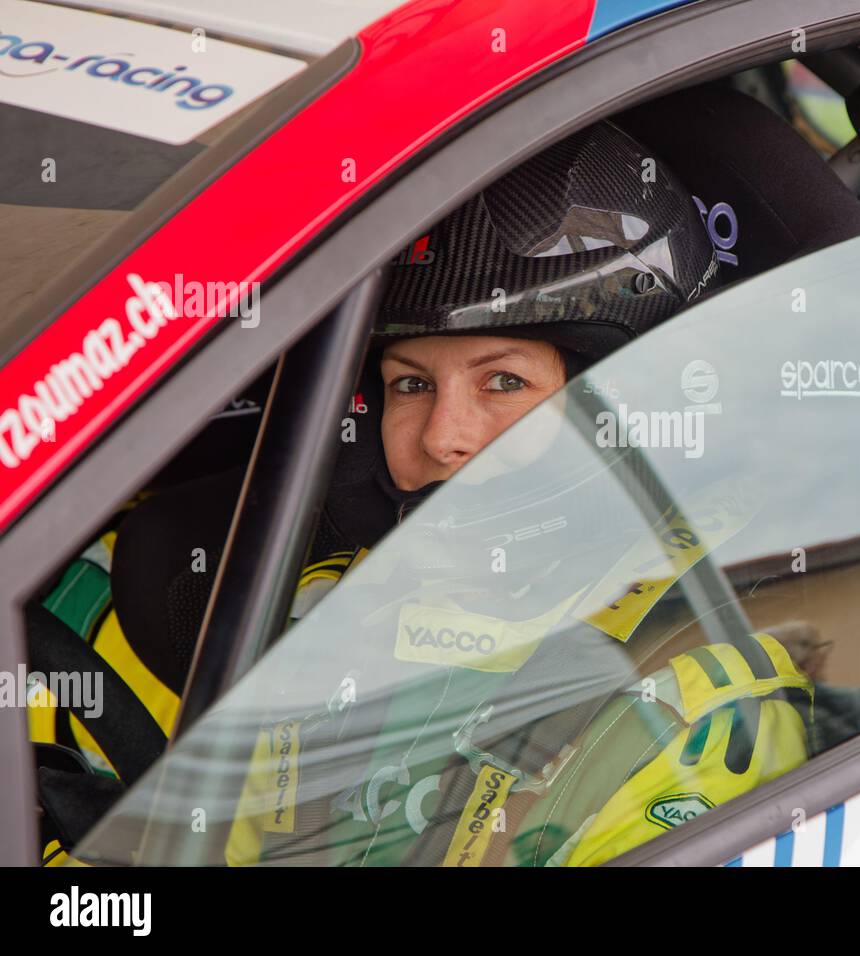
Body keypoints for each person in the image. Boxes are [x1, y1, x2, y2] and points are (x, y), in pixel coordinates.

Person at [42, 121, 816, 867]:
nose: (443, 436)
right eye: (410, 384)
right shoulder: (317, 608)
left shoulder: (689, 704)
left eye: (504, 382)